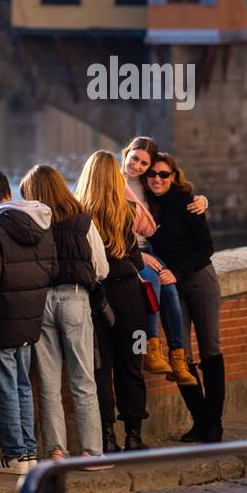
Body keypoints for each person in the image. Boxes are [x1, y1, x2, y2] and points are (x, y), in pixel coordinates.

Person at [19, 164, 110, 464]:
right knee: (82, 379)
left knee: (47, 382)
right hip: (74, 296)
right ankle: (91, 452)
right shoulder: (83, 220)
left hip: (41, 300)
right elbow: (102, 267)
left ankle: (56, 450)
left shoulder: (30, 225)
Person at [0, 170, 56, 475]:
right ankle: (30, 453)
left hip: (2, 316)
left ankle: (15, 456)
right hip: (32, 315)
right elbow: (52, 267)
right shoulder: (40, 220)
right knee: (23, 384)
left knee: (6, 386)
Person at [142, 152, 226, 442]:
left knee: (210, 350)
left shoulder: (188, 202)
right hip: (169, 286)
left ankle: (214, 424)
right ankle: (200, 420)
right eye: (152, 174)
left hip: (199, 279)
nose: (157, 179)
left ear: (174, 176)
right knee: (182, 356)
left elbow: (206, 247)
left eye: (164, 174)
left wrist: (177, 271)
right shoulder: (143, 207)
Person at [75, 150, 149, 452]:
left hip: (96, 299)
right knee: (132, 366)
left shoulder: (78, 214)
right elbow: (139, 262)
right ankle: (134, 435)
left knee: (100, 369)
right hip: (130, 296)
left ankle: (106, 436)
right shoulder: (127, 210)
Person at [120, 136, 207, 385]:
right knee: (152, 283)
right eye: (134, 158)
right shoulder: (112, 181)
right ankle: (151, 348)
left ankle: (177, 358)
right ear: (126, 153)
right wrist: (138, 254)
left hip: (149, 250)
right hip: (128, 252)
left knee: (169, 285)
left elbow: (173, 193)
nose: (137, 166)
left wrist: (202, 200)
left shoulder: (147, 185)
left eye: (143, 163)